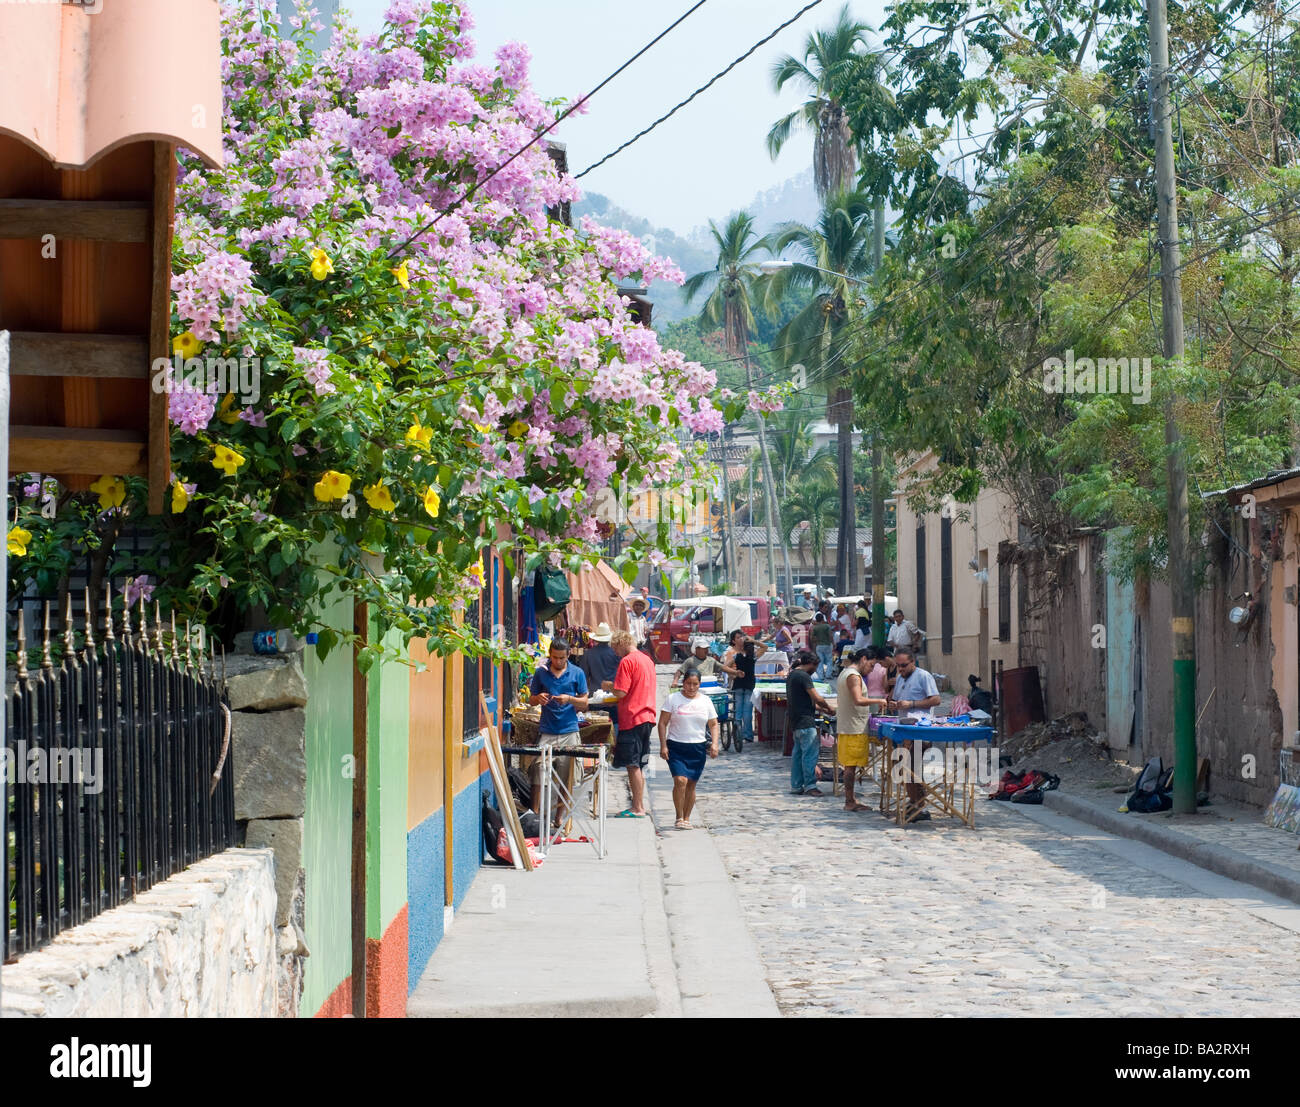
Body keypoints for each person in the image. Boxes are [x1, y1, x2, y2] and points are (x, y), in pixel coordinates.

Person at [527, 639, 589, 818]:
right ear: (550, 655)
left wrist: (569, 699)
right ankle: (535, 815)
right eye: (554, 657)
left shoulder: (577, 673)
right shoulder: (541, 672)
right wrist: (539, 698)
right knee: (539, 771)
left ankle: (558, 818)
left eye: (562, 658)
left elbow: (584, 702)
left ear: (568, 655)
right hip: (547, 730)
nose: (558, 661)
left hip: (569, 730)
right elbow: (531, 699)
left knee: (566, 775)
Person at [602, 629, 656, 817]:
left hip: (633, 717)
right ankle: (639, 804)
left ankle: (638, 807)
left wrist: (609, 686)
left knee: (632, 765)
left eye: (615, 648)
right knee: (639, 763)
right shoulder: (647, 660)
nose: (615, 653)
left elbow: (621, 692)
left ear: (621, 643)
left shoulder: (627, 661)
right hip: (647, 716)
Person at [657, 670, 720, 829]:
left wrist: (714, 743)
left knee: (691, 784)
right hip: (676, 745)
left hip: (697, 747)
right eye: (688, 684)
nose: (691, 687)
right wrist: (663, 745)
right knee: (680, 780)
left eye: (695, 684)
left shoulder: (705, 701)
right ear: (683, 683)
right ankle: (678, 816)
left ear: (699, 684)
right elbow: (662, 723)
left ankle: (687, 817)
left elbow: (713, 724)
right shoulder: (673, 699)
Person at [887, 647, 942, 822]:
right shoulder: (900, 679)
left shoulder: (924, 676)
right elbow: (897, 699)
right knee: (904, 768)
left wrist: (911, 704)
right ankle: (915, 803)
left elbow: (936, 699)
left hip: (920, 730)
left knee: (912, 768)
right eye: (898, 666)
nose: (900, 669)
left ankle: (920, 806)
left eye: (903, 665)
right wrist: (894, 705)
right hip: (904, 730)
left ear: (913, 662)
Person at [837, 648, 888, 811]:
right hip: (853, 727)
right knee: (851, 766)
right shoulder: (853, 676)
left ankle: (850, 799)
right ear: (864, 659)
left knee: (850, 765)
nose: (872, 670)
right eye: (871, 666)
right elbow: (858, 699)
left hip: (850, 725)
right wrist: (879, 700)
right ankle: (849, 801)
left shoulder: (846, 673)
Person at [786, 650, 834, 797]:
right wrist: (828, 707)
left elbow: (805, 701)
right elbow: (816, 698)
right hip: (806, 721)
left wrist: (822, 708)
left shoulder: (792, 675)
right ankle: (810, 786)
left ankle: (796, 785)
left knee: (798, 755)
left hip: (796, 721)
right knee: (809, 754)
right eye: (815, 666)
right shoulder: (803, 676)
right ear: (811, 664)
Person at [578, 622, 619, 722]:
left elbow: (584, 677)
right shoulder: (616, 653)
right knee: (614, 726)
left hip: (595, 698)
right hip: (613, 698)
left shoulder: (588, 654)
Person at [730, 637, 757, 751]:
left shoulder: (736, 656)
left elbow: (725, 666)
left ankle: (737, 734)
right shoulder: (753, 657)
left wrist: (735, 673)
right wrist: (754, 640)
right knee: (748, 712)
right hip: (750, 685)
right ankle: (748, 736)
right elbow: (765, 647)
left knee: (738, 712)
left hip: (738, 684)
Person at [810, 613, 834, 680]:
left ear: (816, 619)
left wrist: (817, 640)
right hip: (827, 645)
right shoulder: (827, 626)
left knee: (820, 661)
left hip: (819, 646)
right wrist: (833, 643)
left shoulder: (815, 628)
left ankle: (820, 676)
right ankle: (828, 674)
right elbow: (830, 635)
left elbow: (812, 638)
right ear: (823, 619)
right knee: (829, 660)